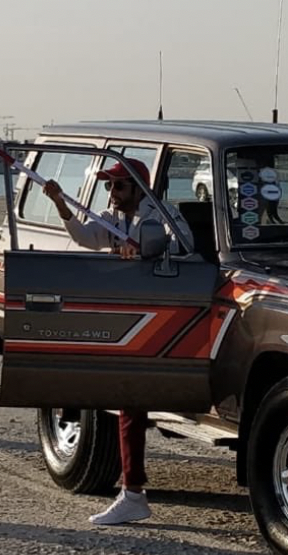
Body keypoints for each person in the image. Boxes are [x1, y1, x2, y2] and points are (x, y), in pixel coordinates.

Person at [41, 158, 190, 526]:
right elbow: (86, 237)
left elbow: (188, 250)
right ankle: (130, 490)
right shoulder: (114, 218)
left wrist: (146, 255)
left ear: (140, 187)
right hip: (131, 319)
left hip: (165, 320)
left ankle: (133, 492)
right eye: (109, 186)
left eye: (119, 186)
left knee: (129, 402)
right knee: (112, 391)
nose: (113, 193)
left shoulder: (162, 216)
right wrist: (61, 204)